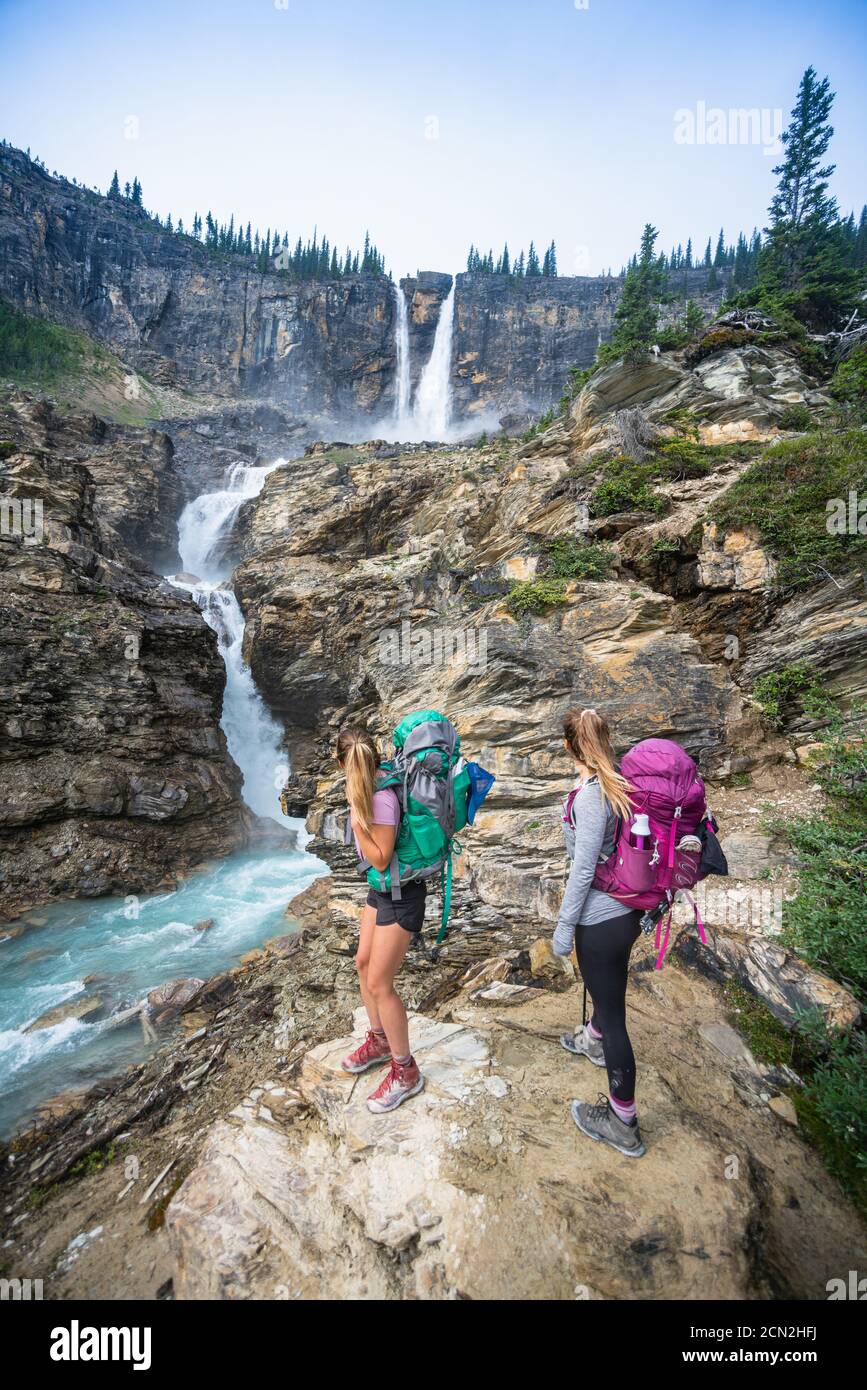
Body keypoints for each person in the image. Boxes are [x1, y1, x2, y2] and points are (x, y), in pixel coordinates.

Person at [552, 707, 646, 1158]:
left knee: (614, 1013)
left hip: (601, 917)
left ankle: (622, 1121)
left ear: (569, 746)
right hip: (625, 912)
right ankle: (592, 1038)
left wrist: (564, 925)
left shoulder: (593, 795)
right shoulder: (616, 780)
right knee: (608, 993)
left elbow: (584, 867)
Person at [336, 725, 425, 1113]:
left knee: (380, 982)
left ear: (343, 764)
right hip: (382, 891)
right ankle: (379, 1039)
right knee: (362, 963)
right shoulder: (366, 790)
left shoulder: (382, 799)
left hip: (402, 895)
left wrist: (358, 820)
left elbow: (381, 857)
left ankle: (405, 1070)